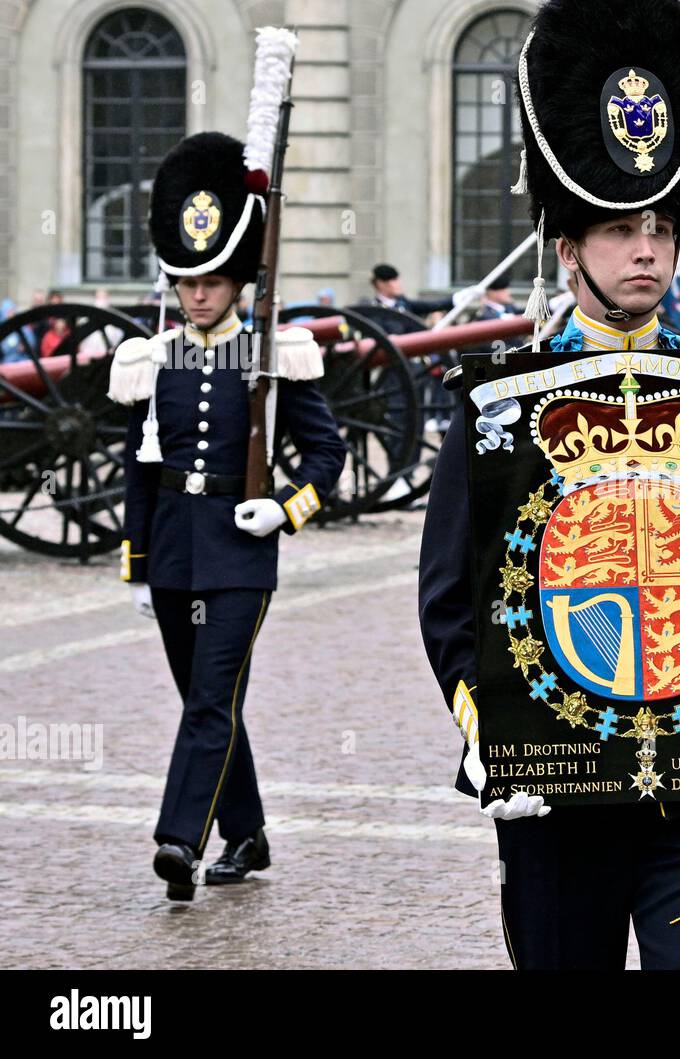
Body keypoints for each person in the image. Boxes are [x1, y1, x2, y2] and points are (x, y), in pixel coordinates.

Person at [419, 0, 680, 970]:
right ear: (567, 247)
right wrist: (483, 719)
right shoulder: (500, 402)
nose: (648, 249)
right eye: (618, 228)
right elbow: (451, 593)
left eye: (660, 226)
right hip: (558, 786)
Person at [108, 119, 347, 902]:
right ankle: (246, 831)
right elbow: (139, 469)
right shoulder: (155, 358)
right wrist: (137, 563)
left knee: (213, 696)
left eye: (211, 281)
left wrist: (285, 509)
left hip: (242, 555)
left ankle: (179, 836)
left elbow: (326, 457)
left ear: (239, 280)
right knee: (209, 702)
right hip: (175, 549)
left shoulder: (279, 354)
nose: (199, 293)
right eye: (187, 281)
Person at [366, 263, 452, 320]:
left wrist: (457, 298)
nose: (399, 284)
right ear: (381, 283)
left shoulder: (405, 304)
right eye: (394, 280)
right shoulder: (372, 308)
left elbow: (434, 305)